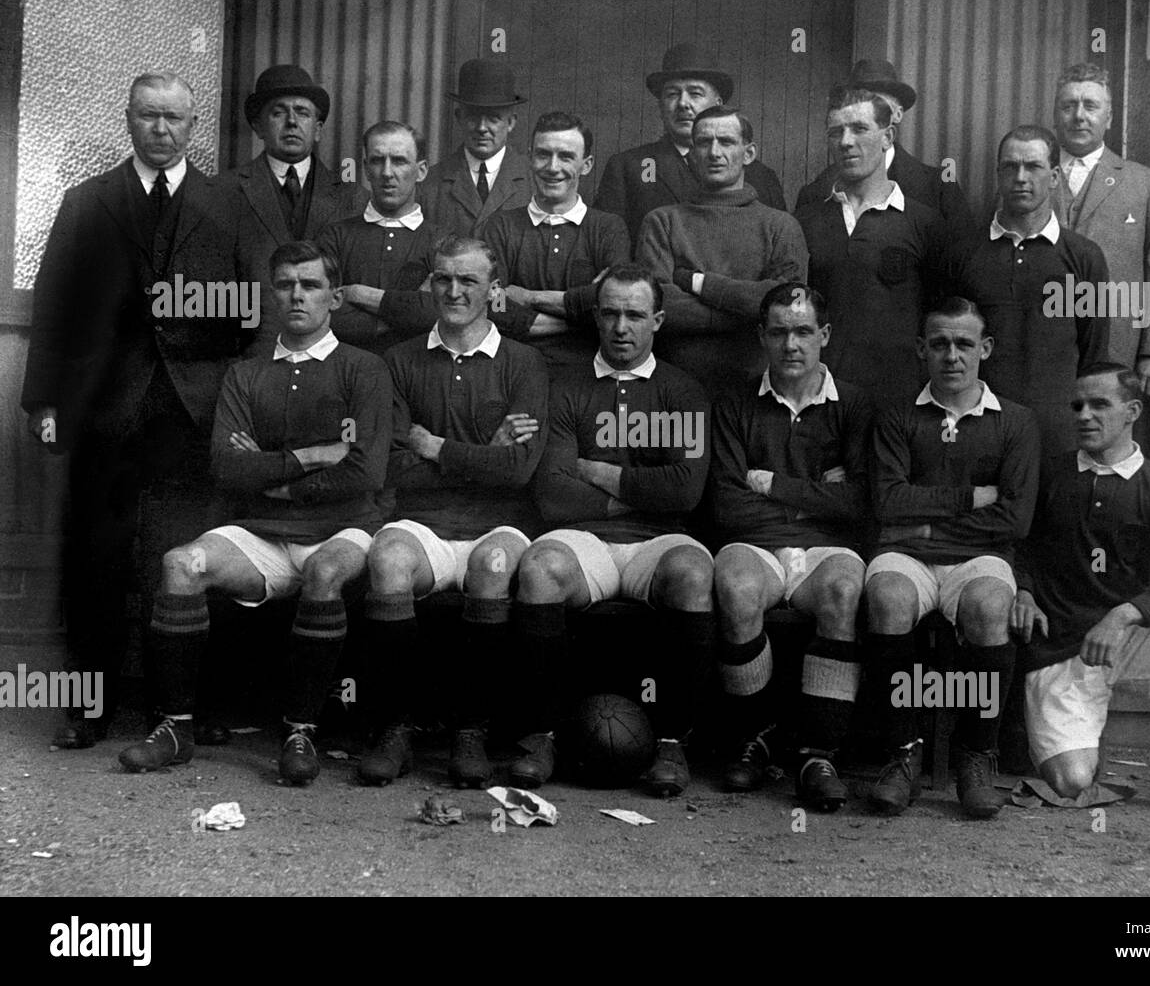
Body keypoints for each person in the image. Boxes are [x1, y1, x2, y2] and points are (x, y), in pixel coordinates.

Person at [21, 71, 243, 748]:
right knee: (97, 559)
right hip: (104, 408)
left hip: (191, 408)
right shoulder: (87, 202)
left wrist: (194, 339)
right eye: (149, 116)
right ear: (128, 120)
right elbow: (55, 308)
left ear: (192, 125)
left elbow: (249, 309)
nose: (162, 129)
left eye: (174, 118)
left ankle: (183, 706)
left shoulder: (226, 204)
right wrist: (46, 401)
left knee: (182, 557)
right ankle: (88, 708)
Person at [117, 241, 391, 785]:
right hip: (261, 532)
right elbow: (226, 468)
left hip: (341, 530)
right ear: (271, 295)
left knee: (326, 571)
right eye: (286, 285)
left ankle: (300, 731)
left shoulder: (365, 370)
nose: (297, 295)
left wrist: (272, 475)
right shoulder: (246, 374)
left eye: (310, 286)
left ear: (334, 297)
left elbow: (364, 473)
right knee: (180, 563)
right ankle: (175, 727)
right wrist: (310, 457)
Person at [511, 263, 713, 797]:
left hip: (661, 540)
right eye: (610, 313)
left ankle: (672, 742)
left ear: (659, 320)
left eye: (635, 315)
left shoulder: (682, 390)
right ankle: (542, 735)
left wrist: (597, 472)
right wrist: (641, 489)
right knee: (538, 568)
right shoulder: (565, 386)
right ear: (595, 318)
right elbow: (553, 493)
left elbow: (685, 493)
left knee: (693, 572)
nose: (621, 327)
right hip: (586, 538)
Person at [359, 236, 549, 788]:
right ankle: (394, 729)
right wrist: (484, 452)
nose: (453, 290)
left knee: (492, 567)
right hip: (424, 520)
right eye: (443, 278)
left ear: (494, 290)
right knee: (389, 560)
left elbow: (518, 472)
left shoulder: (525, 362)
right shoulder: (397, 361)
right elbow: (390, 466)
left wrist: (437, 446)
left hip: (500, 521)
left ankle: (471, 731)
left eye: (468, 281)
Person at [1012, 362, 1150, 814]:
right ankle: (1067, 735)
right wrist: (1023, 590)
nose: (1083, 415)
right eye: (1077, 405)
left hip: (1128, 641)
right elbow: (1017, 544)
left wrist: (1124, 614)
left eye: (1099, 404)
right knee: (1072, 782)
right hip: (1061, 646)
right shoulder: (1050, 477)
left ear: (1132, 410)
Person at [864, 297, 1040, 819]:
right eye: (939, 344)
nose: (952, 356)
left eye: (964, 344)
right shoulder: (897, 416)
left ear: (984, 348)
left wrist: (923, 519)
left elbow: (1015, 521)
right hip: (905, 556)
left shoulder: (1016, 422)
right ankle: (903, 754)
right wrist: (969, 498)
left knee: (989, 608)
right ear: (922, 349)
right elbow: (885, 502)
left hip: (978, 558)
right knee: (888, 596)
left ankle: (975, 756)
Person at [709, 283, 872, 810]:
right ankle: (752, 740)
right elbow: (727, 505)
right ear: (761, 336)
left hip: (827, 549)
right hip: (754, 544)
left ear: (824, 335)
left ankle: (816, 753)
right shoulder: (735, 401)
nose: (791, 345)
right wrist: (821, 493)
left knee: (845, 591)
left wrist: (774, 486)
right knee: (734, 587)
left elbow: (862, 503)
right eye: (778, 332)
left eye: (803, 331)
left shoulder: (855, 404)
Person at [953, 125, 1108, 458]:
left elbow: (1094, 355)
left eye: (1033, 167)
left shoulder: (1084, 257)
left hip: (1058, 435)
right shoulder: (964, 253)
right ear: (998, 174)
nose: (1021, 177)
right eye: (1011, 166)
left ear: (1053, 177)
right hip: (979, 430)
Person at [796, 87, 950, 411]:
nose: (846, 142)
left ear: (887, 136)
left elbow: (942, 317)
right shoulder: (806, 220)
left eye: (859, 129)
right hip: (822, 398)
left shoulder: (926, 224)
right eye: (836, 132)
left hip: (901, 401)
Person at [637, 106, 808, 395]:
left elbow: (787, 307)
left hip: (760, 391)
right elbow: (653, 304)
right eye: (704, 143)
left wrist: (697, 283)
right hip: (675, 387)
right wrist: (750, 313)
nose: (714, 152)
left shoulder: (781, 226)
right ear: (691, 156)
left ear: (749, 153)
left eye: (726, 142)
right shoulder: (662, 221)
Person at [218, 64, 366, 356]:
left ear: (318, 129)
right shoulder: (224, 191)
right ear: (258, 127)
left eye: (303, 112)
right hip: (249, 356)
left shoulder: (352, 197)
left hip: (329, 358)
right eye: (278, 112)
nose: (291, 122)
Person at [1052, 62, 1150, 393]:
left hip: (1116, 347)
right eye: (1069, 106)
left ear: (1108, 118)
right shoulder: (1030, 176)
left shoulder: (1144, 182)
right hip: (1044, 347)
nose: (1079, 116)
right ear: (1056, 115)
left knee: (1107, 439)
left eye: (1091, 106)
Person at [595, 43, 787, 255]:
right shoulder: (627, 168)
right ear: (660, 106)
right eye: (672, 94)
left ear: (718, 104)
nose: (683, 103)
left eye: (695, 93)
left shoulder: (761, 177)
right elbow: (609, 250)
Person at [479, 111, 629, 374]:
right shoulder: (501, 226)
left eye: (566, 156)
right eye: (543, 154)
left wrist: (529, 297)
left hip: (590, 371)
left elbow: (616, 300)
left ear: (587, 164)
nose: (552, 167)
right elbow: (492, 303)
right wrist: (585, 317)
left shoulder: (608, 228)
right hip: (510, 369)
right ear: (530, 158)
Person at [795, 59, 974, 239]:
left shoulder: (938, 190)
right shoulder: (817, 192)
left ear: (897, 114)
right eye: (858, 100)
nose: (867, 107)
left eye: (877, 102)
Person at [317, 121, 445, 354]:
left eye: (399, 161)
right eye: (377, 161)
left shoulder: (442, 242)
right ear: (365, 169)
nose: (387, 173)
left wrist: (357, 294)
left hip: (417, 372)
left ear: (422, 170)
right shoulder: (335, 236)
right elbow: (322, 312)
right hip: (347, 372)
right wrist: (408, 314)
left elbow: (439, 313)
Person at [421, 59, 531, 239]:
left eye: (493, 118)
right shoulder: (430, 184)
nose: (481, 127)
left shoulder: (533, 181)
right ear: (459, 117)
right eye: (473, 116)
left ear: (511, 122)